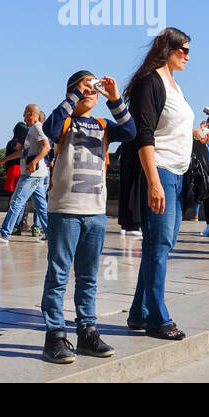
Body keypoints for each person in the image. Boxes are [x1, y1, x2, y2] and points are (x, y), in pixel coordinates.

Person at [38, 71, 135, 364]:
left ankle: (87, 330)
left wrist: (115, 98)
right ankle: (55, 335)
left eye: (94, 87)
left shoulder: (103, 124)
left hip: (95, 212)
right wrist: (74, 95)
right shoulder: (65, 120)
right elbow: (50, 129)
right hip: (65, 210)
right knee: (58, 275)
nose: (91, 90)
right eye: (86, 86)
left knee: (88, 277)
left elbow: (130, 132)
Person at [123, 26, 194, 341]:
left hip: (177, 173)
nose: (188, 57)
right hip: (160, 171)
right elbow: (144, 133)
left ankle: (139, 312)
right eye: (185, 50)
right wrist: (154, 182)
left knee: (160, 246)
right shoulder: (150, 82)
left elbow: (172, 128)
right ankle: (158, 319)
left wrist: (200, 135)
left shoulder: (174, 85)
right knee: (159, 245)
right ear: (170, 49)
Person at [0, 105, 52, 242]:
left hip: (32, 174)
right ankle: (51, 234)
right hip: (34, 173)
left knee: (16, 201)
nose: (23, 115)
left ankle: (5, 233)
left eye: (25, 113)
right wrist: (4, 160)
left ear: (31, 114)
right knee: (41, 206)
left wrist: (33, 162)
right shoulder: (31, 130)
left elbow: (46, 146)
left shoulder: (37, 127)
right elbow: (22, 152)